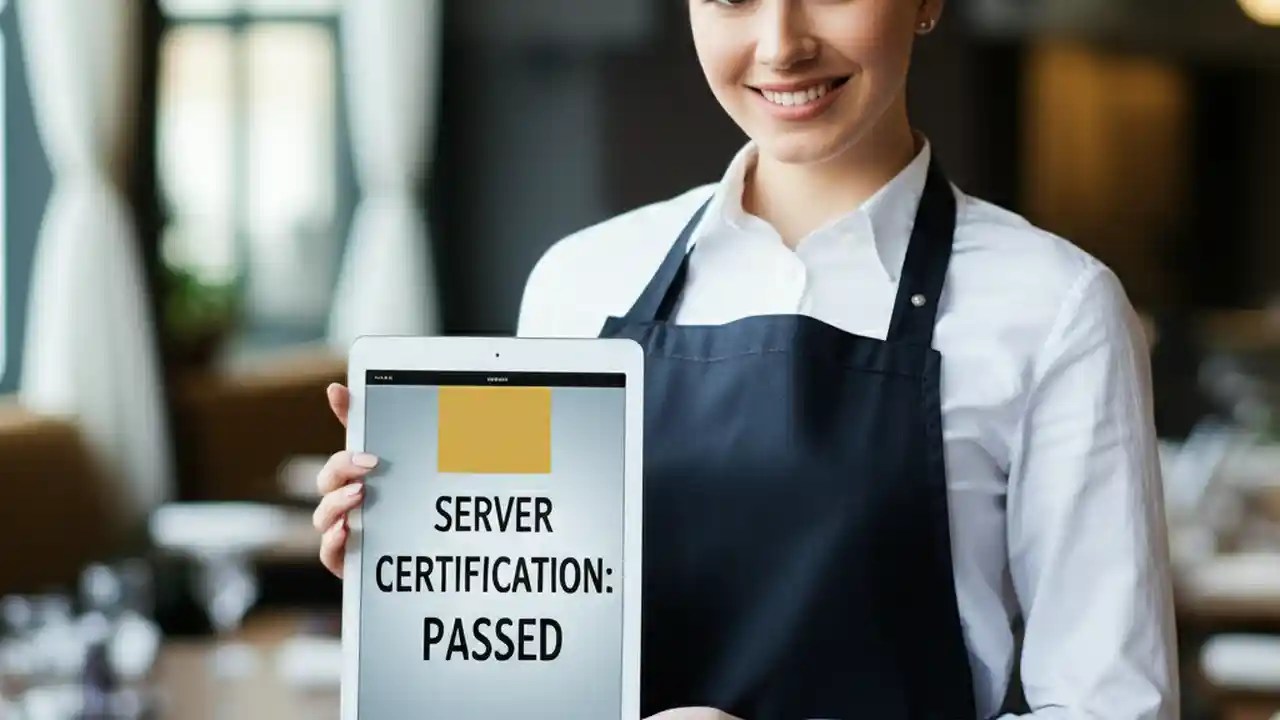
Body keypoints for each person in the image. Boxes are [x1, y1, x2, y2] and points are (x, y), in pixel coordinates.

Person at [311, 0, 1179, 717]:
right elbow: (521, 670)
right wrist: (420, 568)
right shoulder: (579, 283)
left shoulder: (1055, 308)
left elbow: (1112, 710)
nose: (781, 43)